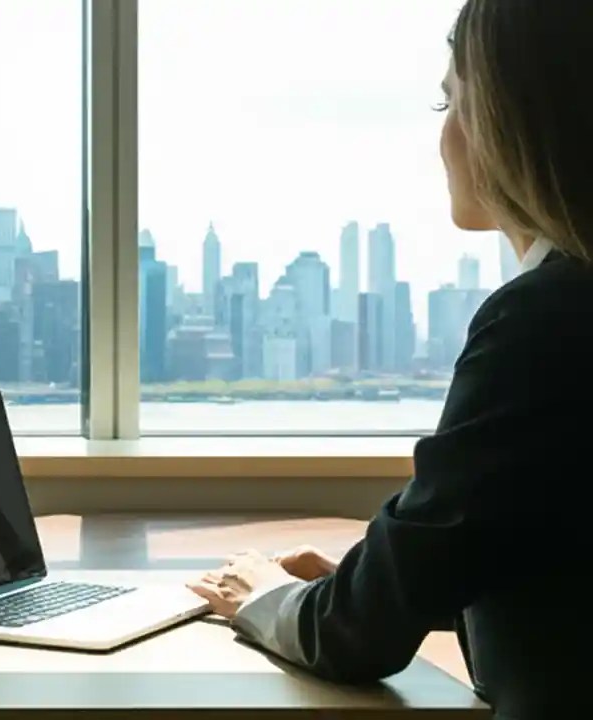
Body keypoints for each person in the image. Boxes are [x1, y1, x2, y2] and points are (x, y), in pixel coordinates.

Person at [186, 2, 593, 718]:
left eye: (451, 98)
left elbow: (357, 640)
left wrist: (267, 599)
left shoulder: (542, 321)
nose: (444, 133)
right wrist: (384, 582)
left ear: (510, 116)